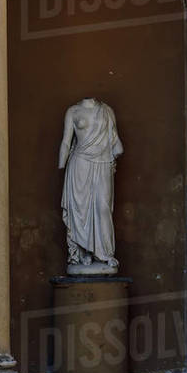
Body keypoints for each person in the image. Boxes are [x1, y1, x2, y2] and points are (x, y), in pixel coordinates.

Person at [58, 97, 123, 272]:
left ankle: (106, 254)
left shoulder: (107, 110)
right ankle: (84, 250)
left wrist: (117, 149)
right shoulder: (72, 111)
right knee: (81, 209)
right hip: (80, 164)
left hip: (103, 163)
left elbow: (114, 138)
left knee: (103, 208)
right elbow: (66, 141)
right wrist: (62, 166)